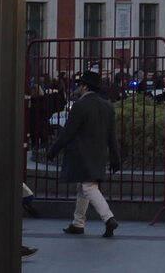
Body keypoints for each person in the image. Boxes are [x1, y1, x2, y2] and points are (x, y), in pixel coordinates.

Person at [45, 70, 121, 238]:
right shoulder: (107, 106)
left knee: (88, 187)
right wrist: (115, 156)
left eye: (80, 85)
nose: (79, 88)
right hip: (99, 152)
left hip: (81, 153)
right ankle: (78, 223)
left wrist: (53, 150)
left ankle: (108, 218)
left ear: (85, 87)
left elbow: (68, 132)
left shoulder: (80, 105)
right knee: (83, 188)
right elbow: (112, 135)